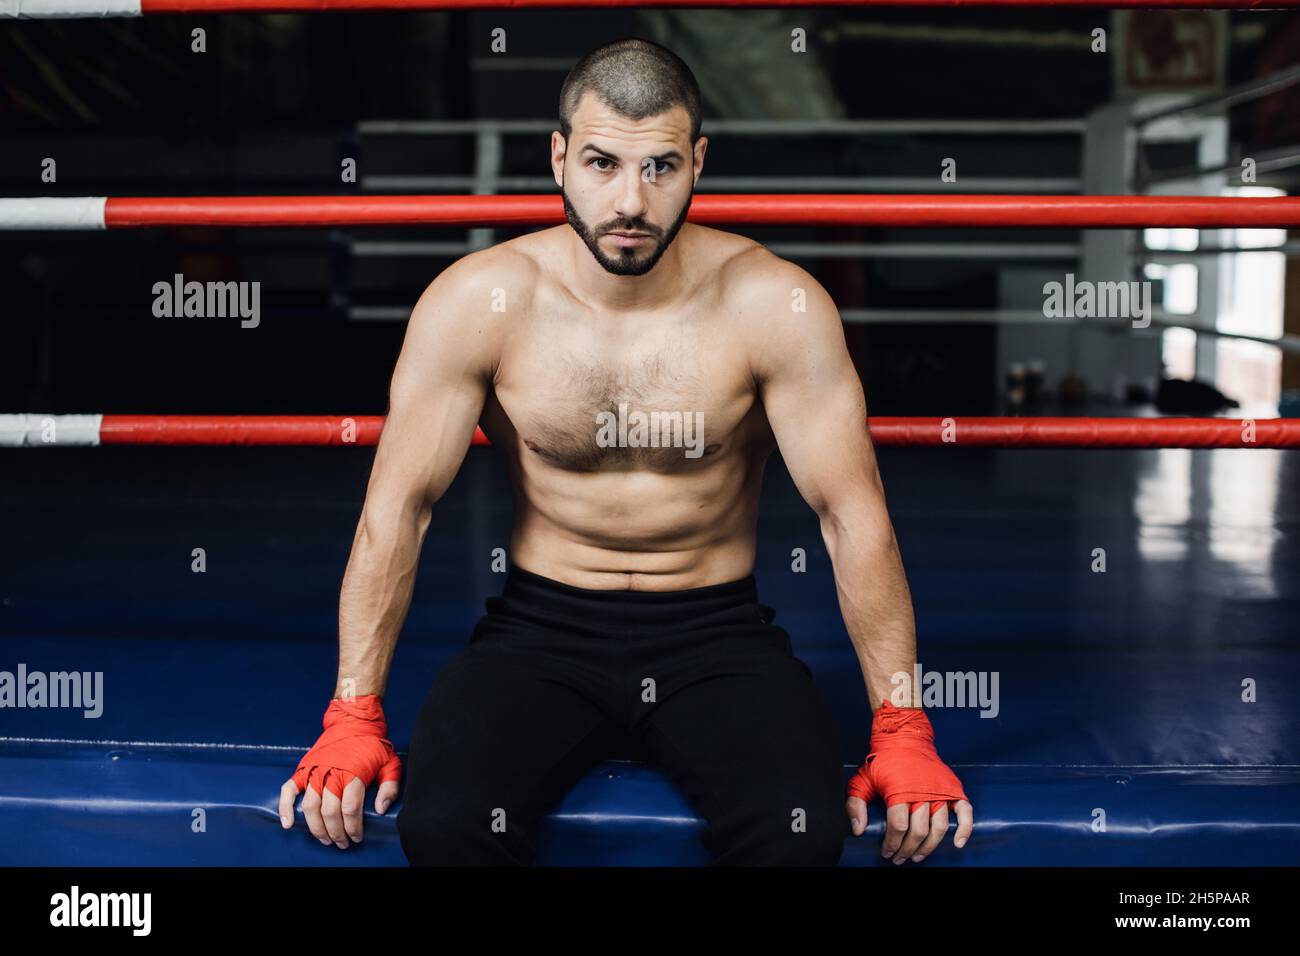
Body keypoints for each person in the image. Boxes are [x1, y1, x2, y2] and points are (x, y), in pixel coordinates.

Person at [278, 37, 973, 866]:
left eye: (661, 167)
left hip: (716, 631)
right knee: (444, 825)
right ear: (559, 157)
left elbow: (849, 515)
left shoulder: (774, 304)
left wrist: (901, 726)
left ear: (699, 162)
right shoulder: (480, 301)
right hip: (540, 630)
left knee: (800, 832)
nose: (631, 201)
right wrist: (353, 713)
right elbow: (399, 508)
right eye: (603, 163)